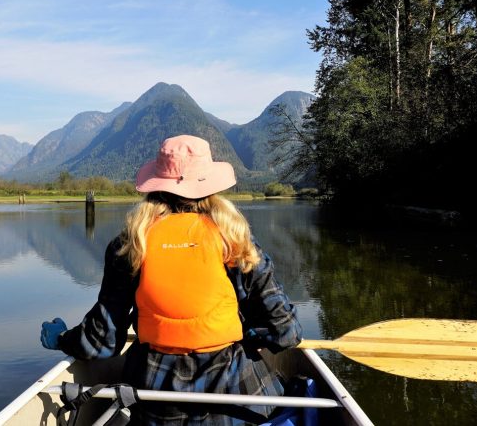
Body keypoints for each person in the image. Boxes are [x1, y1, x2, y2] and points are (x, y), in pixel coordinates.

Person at [41, 134, 303, 425]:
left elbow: (101, 341)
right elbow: (286, 333)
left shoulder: (130, 246)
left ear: (155, 188)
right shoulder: (237, 242)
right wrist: (253, 333)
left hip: (156, 398)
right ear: (211, 187)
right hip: (233, 397)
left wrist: (63, 338)